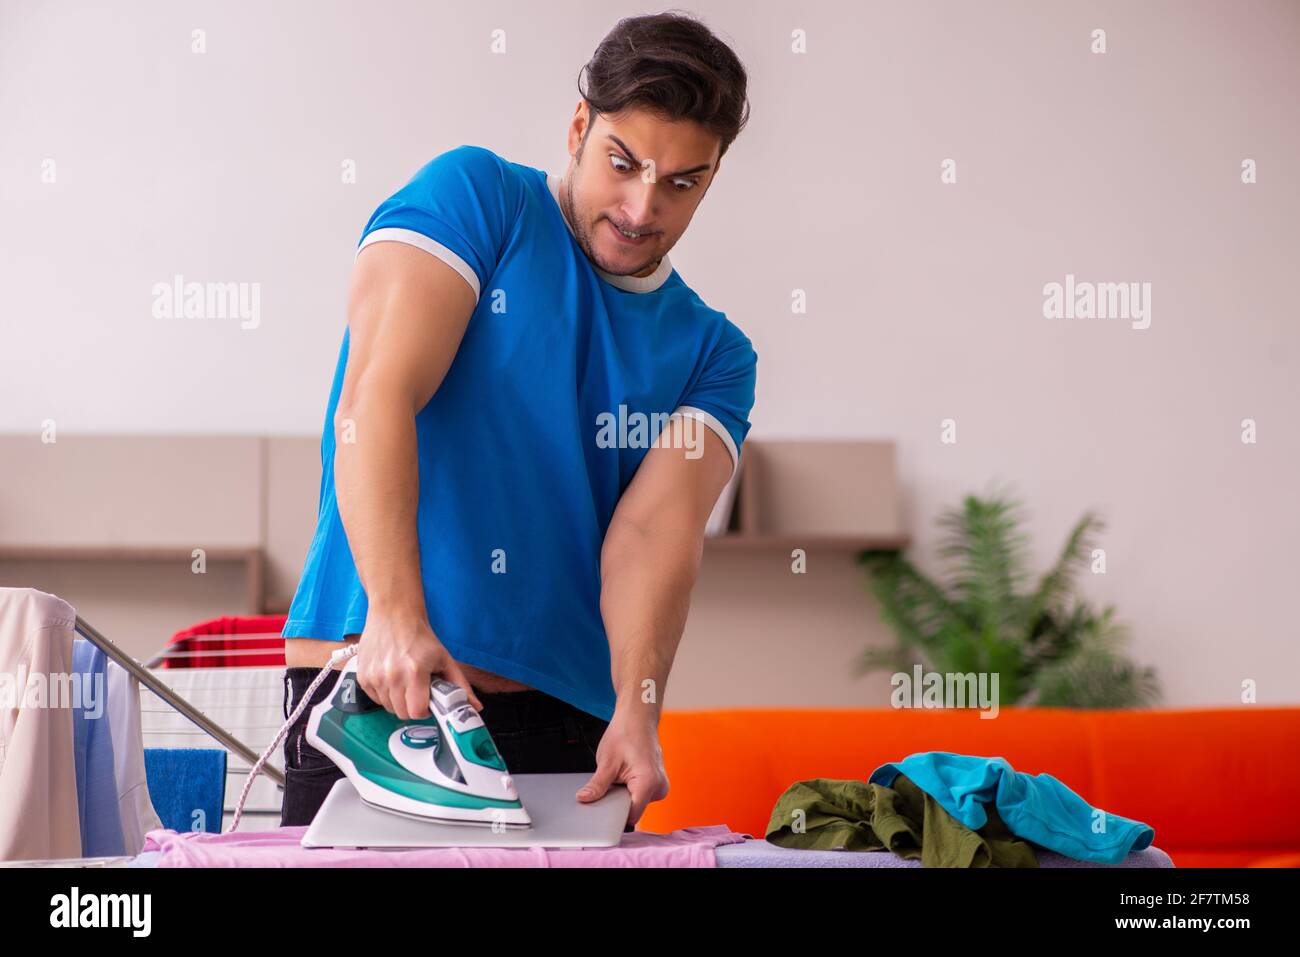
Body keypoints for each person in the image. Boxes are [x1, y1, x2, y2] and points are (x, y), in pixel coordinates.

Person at [279, 10, 756, 832]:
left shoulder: (715, 354)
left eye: (682, 181)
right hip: (380, 677)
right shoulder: (477, 199)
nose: (644, 206)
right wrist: (395, 615)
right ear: (579, 126)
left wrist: (638, 709)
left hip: (567, 723)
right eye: (623, 162)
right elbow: (377, 396)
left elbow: (651, 540)